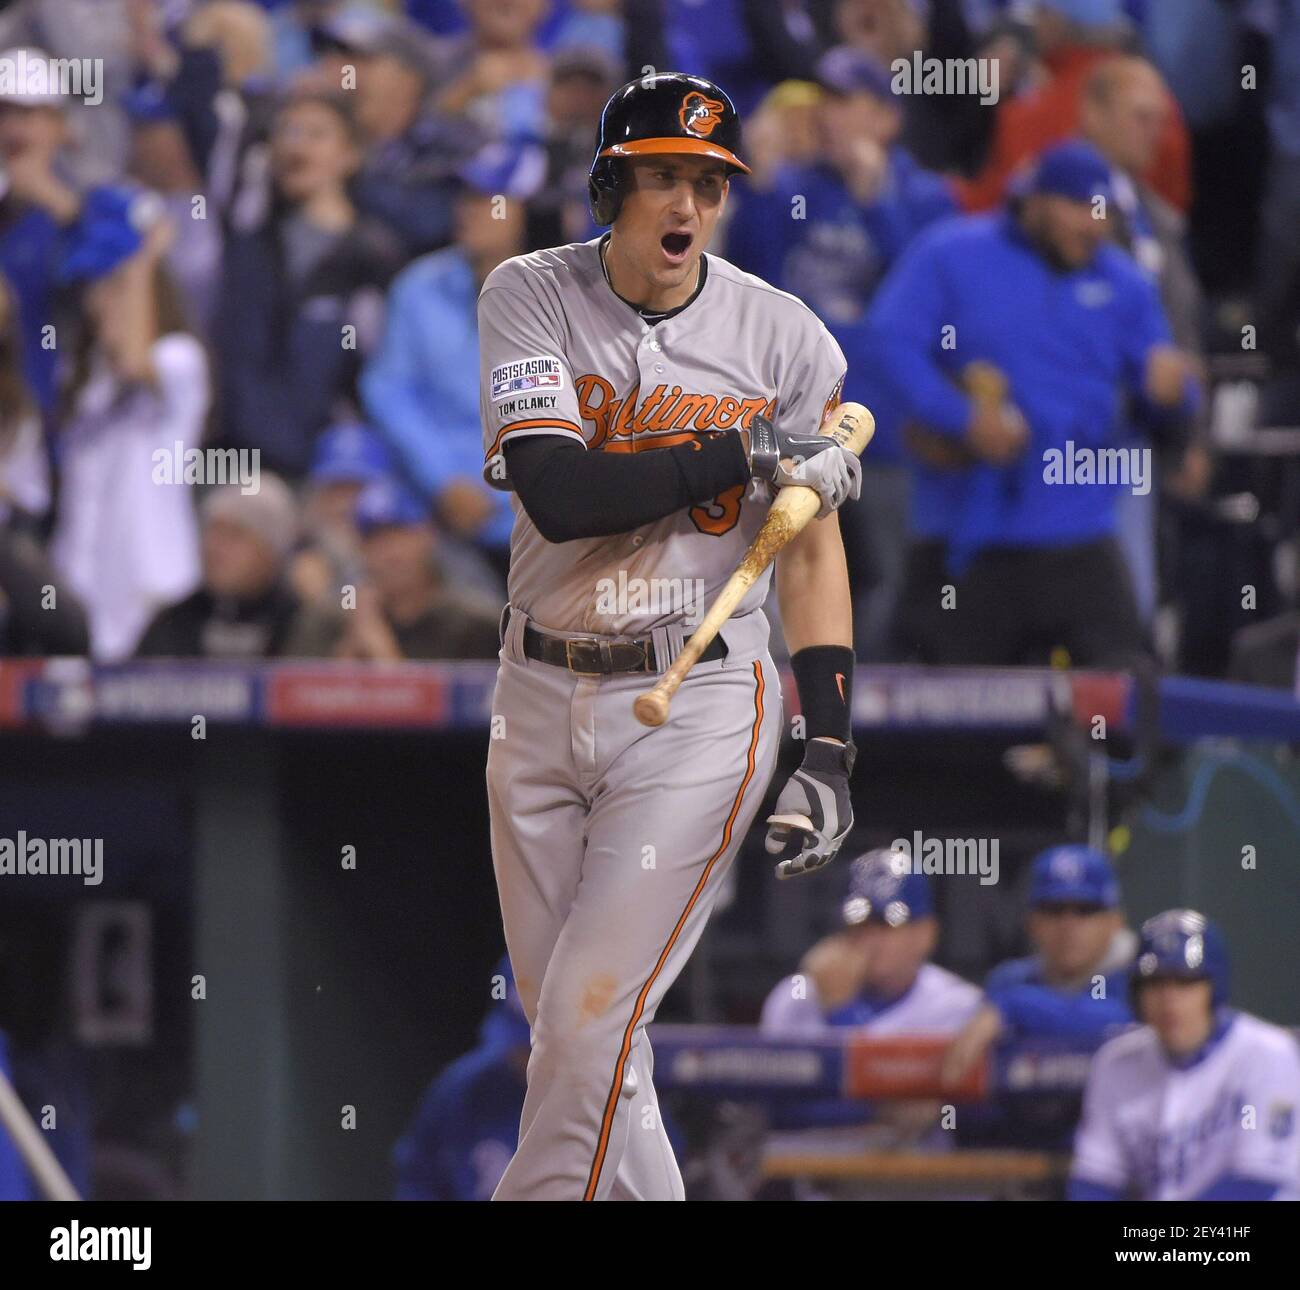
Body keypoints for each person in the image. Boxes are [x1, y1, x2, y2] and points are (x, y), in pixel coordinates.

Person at [480, 72, 863, 1201]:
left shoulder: (786, 339)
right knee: (575, 1041)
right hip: (537, 690)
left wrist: (829, 748)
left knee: (591, 1025)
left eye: (705, 180)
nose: (683, 200)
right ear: (611, 187)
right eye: (659, 176)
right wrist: (746, 453)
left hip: (695, 702)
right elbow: (560, 491)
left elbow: (809, 549)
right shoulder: (529, 294)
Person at [871, 140, 1198, 667]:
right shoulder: (951, 254)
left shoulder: (1123, 283)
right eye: (1078, 208)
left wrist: (1173, 391)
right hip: (968, 535)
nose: (1093, 227)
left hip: (1081, 530)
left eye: (1103, 214)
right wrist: (960, 417)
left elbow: (1167, 391)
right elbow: (891, 341)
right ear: (1036, 200)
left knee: (1131, 706)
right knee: (945, 725)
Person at [362, 142, 543, 583]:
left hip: (543, 519)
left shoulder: (567, 295)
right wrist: (445, 481)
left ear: (525, 210)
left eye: (488, 200)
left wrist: (501, 495)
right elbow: (388, 391)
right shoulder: (419, 287)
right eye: (466, 198)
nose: (470, 211)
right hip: (438, 513)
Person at [215, 89, 402, 478]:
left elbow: (381, 377)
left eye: (316, 134)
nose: (296, 146)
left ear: (350, 156)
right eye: (288, 133)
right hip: (247, 465)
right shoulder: (250, 248)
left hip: (337, 473)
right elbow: (237, 365)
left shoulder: (376, 259)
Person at [50, 205, 208, 663]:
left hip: (153, 594)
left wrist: (142, 265)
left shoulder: (180, 359)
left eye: (112, 285)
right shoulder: (85, 382)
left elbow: (135, 362)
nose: (99, 301)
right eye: (94, 287)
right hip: (84, 594)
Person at [761, 848, 982, 1155]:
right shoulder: (795, 996)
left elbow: (956, 1119)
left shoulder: (958, 1005)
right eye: (860, 922)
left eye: (887, 924)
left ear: (927, 934)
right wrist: (883, 1108)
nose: (870, 938)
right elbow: (775, 1112)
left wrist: (842, 1012)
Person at [1071, 909, 1300, 1200]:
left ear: (1213, 989)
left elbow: (1256, 1183)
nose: (1169, 999)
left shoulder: (1268, 1055)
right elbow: (1094, 1180)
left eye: (1184, 982)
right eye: (1155, 983)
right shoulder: (1115, 1062)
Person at [942, 844, 1136, 1151]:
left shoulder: (1141, 978)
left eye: (1085, 910)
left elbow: (1116, 1026)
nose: (1068, 925)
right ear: (1032, 922)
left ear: (1115, 922)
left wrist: (1014, 1008)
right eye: (1054, 909)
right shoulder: (1009, 981)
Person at [136, 476, 338, 659]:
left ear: (271, 551)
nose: (215, 548)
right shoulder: (174, 621)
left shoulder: (300, 622)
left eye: (235, 535)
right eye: (212, 532)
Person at [393, 956, 531, 1201]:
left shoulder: (608, 1101)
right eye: (517, 1044)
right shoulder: (464, 1088)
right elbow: (418, 1182)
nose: (523, 1059)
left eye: (533, 1049)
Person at [336, 476, 502, 662]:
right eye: (376, 540)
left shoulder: (475, 623)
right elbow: (310, 687)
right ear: (359, 548)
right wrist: (355, 635)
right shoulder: (335, 615)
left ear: (428, 536)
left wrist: (379, 646)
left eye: (402, 536)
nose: (391, 554)